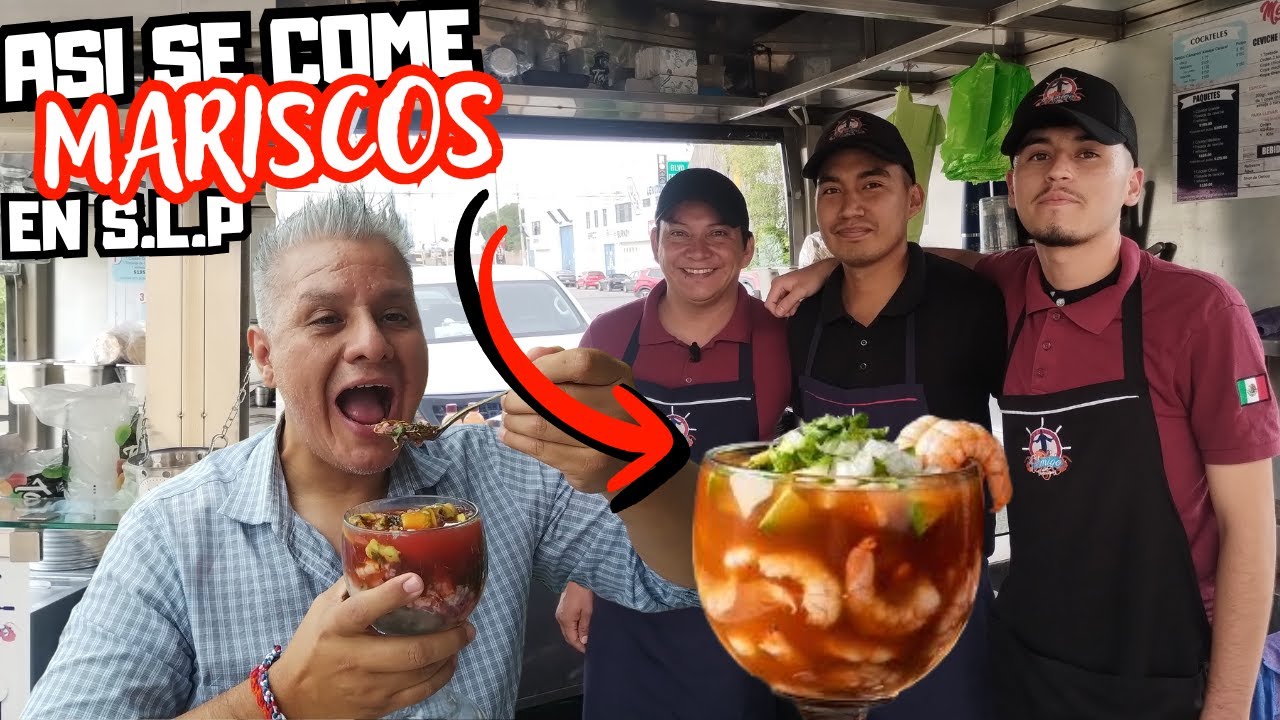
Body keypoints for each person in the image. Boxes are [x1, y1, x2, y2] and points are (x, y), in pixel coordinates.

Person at [21, 189, 705, 720]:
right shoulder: (172, 532)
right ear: (264, 357)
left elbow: (685, 577)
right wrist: (276, 699)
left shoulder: (504, 474)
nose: (371, 344)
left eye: (396, 315)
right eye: (325, 319)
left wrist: (643, 464)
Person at [767, 68, 1280, 720]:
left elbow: (1252, 530)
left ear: (1132, 183)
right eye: (1038, 155)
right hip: (1029, 663)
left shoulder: (1200, 311)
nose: (1059, 171)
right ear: (1012, 186)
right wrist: (828, 265)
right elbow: (927, 260)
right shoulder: (1002, 290)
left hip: (1166, 669)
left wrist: (1229, 705)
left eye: (1087, 153)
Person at [779, 108, 1006, 720]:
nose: (850, 206)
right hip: (828, 589)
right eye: (833, 190)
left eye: (872, 184)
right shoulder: (797, 315)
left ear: (913, 197)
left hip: (942, 595)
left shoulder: (974, 304)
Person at [555, 168, 796, 720]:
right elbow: (578, 473)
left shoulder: (781, 336)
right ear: (654, 241)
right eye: (679, 233)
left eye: (717, 233)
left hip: (743, 595)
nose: (698, 251)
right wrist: (578, 576)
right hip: (626, 593)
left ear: (747, 246)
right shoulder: (608, 338)